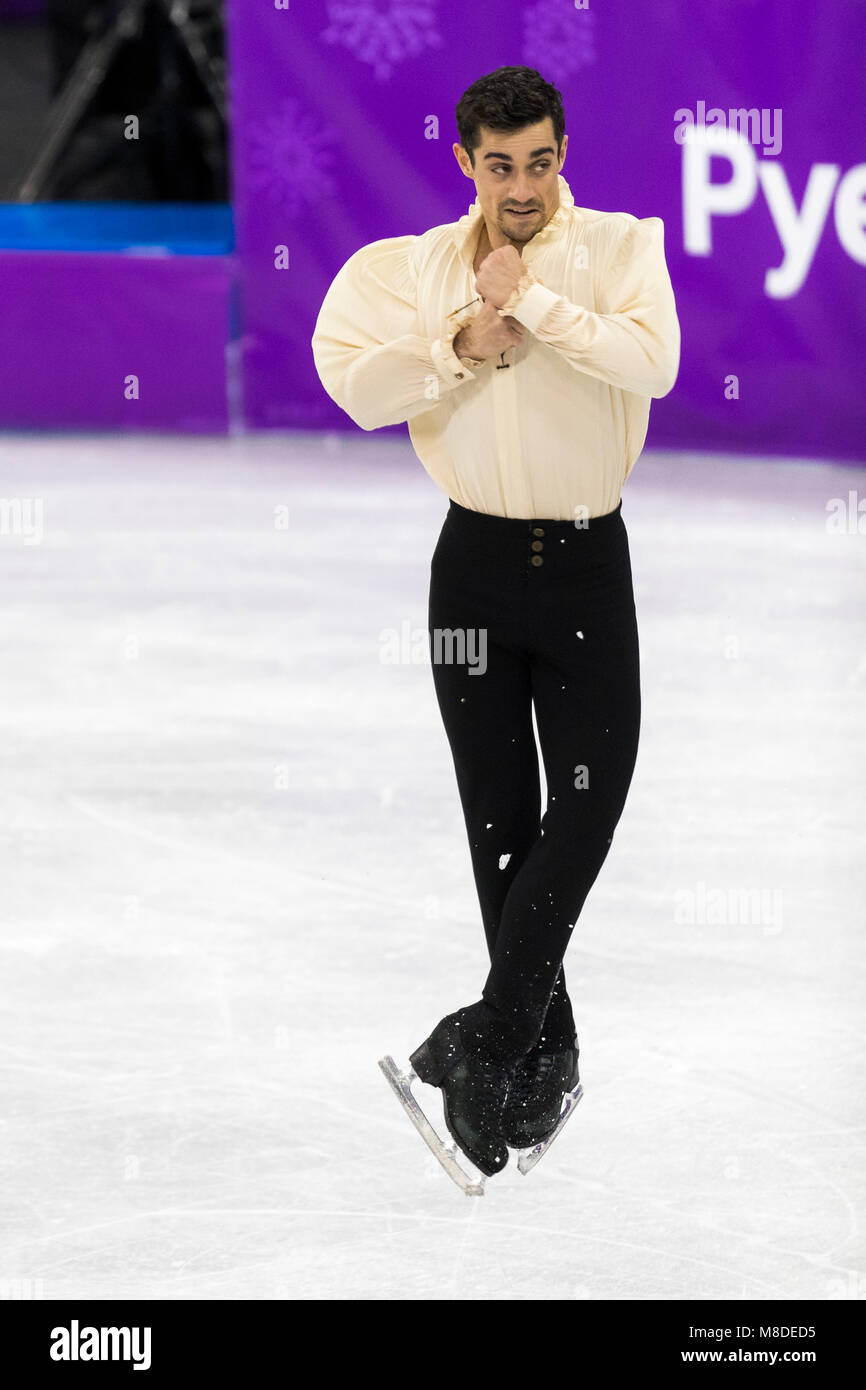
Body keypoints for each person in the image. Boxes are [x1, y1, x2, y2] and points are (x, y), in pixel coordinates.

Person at [311, 66, 680, 1178]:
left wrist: (534, 304)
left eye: (539, 161)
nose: (522, 185)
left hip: (581, 565)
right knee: (498, 821)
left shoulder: (621, 249)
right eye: (499, 165)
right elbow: (351, 384)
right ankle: (537, 1059)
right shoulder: (412, 271)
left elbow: (651, 362)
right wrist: (459, 347)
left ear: (562, 151)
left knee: (585, 806)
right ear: (465, 162)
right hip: (469, 570)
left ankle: (482, 1036)